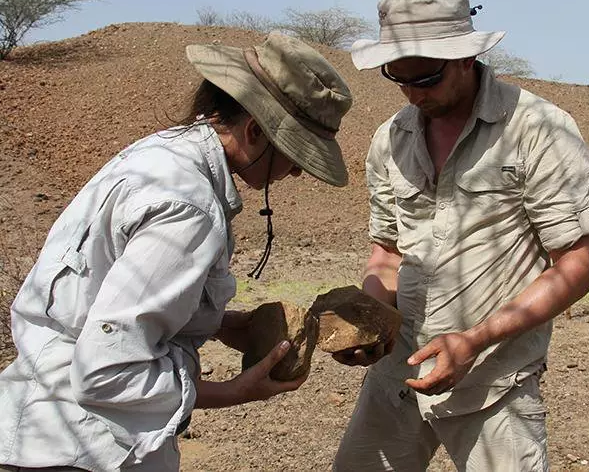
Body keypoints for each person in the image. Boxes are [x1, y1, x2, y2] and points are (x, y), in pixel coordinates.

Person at [0, 32, 353, 471]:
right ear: (255, 131)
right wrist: (232, 392)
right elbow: (107, 372)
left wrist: (221, 323)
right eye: (297, 154)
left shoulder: (160, 154)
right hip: (86, 450)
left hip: (36, 427)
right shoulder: (188, 207)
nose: (298, 171)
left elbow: (104, 298)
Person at [333, 0, 589, 471]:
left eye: (426, 79)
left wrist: (473, 340)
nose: (413, 93)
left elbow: (578, 265)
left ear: (464, 58)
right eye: (399, 77)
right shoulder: (391, 138)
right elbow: (388, 254)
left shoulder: (538, 130)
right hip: (400, 372)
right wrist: (369, 318)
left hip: (493, 381)